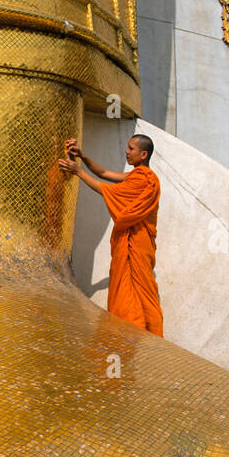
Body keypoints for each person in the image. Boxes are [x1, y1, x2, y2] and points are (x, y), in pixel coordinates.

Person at [58, 134, 164, 337]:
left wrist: (78, 171)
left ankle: (140, 337)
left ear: (143, 154)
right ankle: (127, 338)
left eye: (131, 148)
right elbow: (104, 173)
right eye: (127, 147)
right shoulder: (135, 175)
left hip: (138, 246)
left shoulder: (146, 180)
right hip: (128, 245)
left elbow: (107, 190)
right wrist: (82, 156)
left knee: (137, 297)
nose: (127, 151)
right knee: (125, 292)